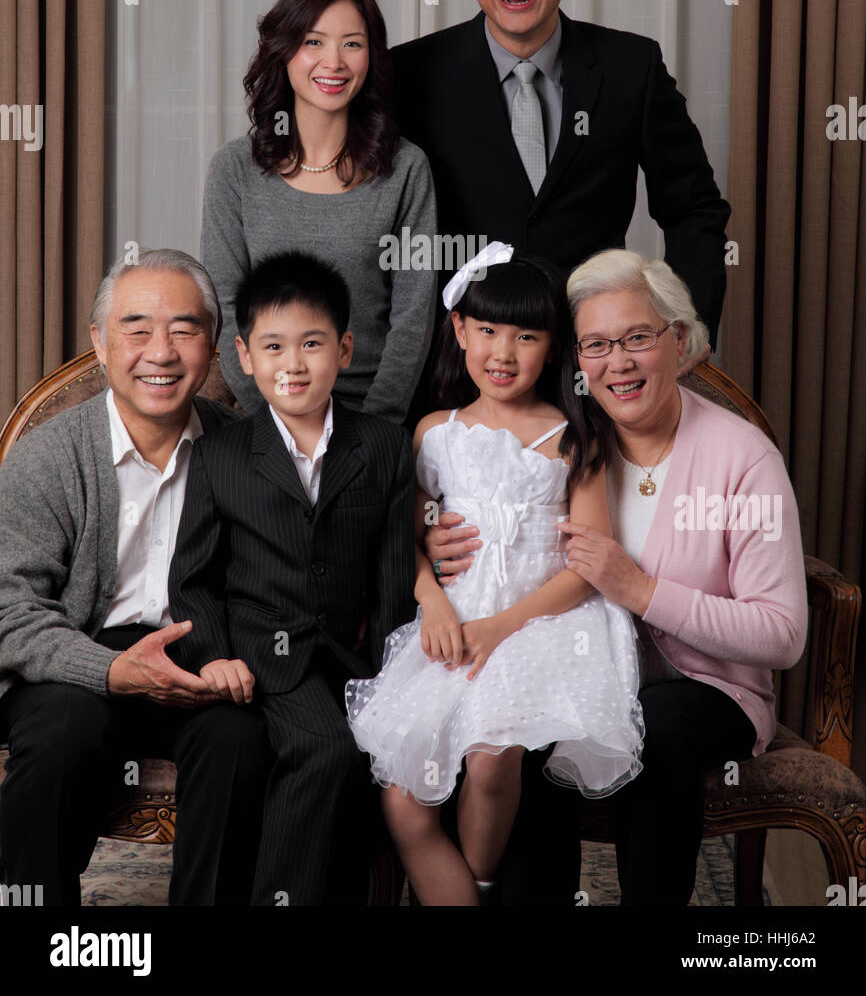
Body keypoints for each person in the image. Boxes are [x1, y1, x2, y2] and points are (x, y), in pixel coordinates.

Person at [428, 249, 808, 905]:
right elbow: (486, 518)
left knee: (650, 727)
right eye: (597, 345)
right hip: (573, 672)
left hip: (706, 690)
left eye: (637, 338)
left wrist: (640, 591)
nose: (618, 363)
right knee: (526, 726)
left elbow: (782, 636)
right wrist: (440, 539)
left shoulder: (743, 457)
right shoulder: (564, 438)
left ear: (680, 343)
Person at [345, 243, 643, 906]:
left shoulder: (574, 437)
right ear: (458, 330)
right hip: (453, 621)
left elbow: (588, 568)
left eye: (526, 337)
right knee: (401, 796)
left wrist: (500, 627)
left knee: (491, 754)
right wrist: (432, 598)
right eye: (487, 331)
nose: (503, 353)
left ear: (553, 345)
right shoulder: (433, 433)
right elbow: (406, 540)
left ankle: (477, 882)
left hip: (541, 622)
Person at [0, 249, 272, 907]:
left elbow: (275, 584)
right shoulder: (49, 456)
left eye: (184, 329)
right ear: (100, 342)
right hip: (77, 657)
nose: (162, 352)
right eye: (137, 329)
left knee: (240, 738)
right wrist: (111, 671)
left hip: (200, 656)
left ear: (213, 345)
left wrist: (233, 658)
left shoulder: (245, 449)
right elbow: (9, 608)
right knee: (60, 734)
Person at [168, 251, 416, 906]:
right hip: (262, 657)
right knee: (327, 749)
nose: (294, 364)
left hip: (353, 660)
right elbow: (191, 579)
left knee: (376, 756)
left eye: (312, 343)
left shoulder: (384, 445)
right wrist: (214, 656)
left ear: (345, 349)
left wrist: (392, 677)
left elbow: (394, 577)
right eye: (273, 346)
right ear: (244, 356)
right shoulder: (220, 455)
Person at [392, 0, 729, 347]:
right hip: (460, 357)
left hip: (596, 353)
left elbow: (693, 209)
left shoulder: (631, 67)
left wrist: (686, 331)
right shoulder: (410, 74)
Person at [201, 0, 437, 424]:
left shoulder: (406, 168)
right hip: (267, 421)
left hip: (373, 421)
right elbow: (226, 310)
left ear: (371, 56)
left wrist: (374, 429)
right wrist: (279, 426)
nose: (334, 62)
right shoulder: (235, 169)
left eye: (352, 44)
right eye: (313, 42)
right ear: (284, 50)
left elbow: (413, 316)